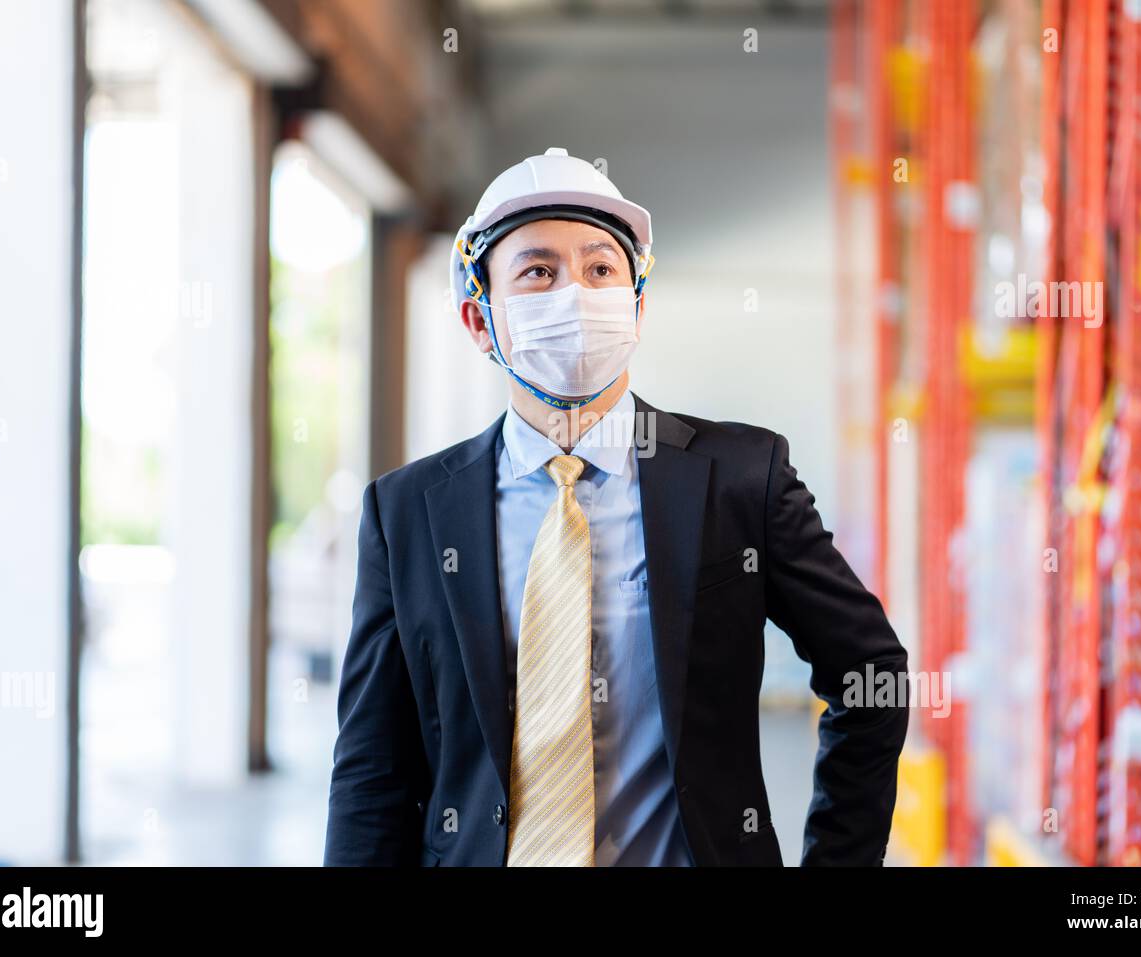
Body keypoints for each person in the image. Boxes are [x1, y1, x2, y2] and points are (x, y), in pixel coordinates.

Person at [323, 147, 909, 867]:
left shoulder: (739, 479)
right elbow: (372, 771)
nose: (575, 292)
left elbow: (871, 674)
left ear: (636, 305)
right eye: (538, 271)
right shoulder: (408, 513)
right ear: (481, 321)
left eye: (601, 268)